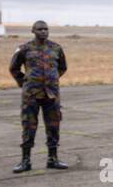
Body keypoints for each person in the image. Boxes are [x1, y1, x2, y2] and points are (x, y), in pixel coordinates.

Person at [9, 20, 69, 172]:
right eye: (40, 29)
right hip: (31, 95)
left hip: (51, 95)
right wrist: (25, 82)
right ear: (33, 31)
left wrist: (52, 80)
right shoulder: (24, 49)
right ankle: (25, 161)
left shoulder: (56, 48)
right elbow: (14, 68)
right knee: (28, 127)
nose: (43, 32)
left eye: (46, 29)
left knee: (53, 126)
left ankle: (53, 159)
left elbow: (62, 67)